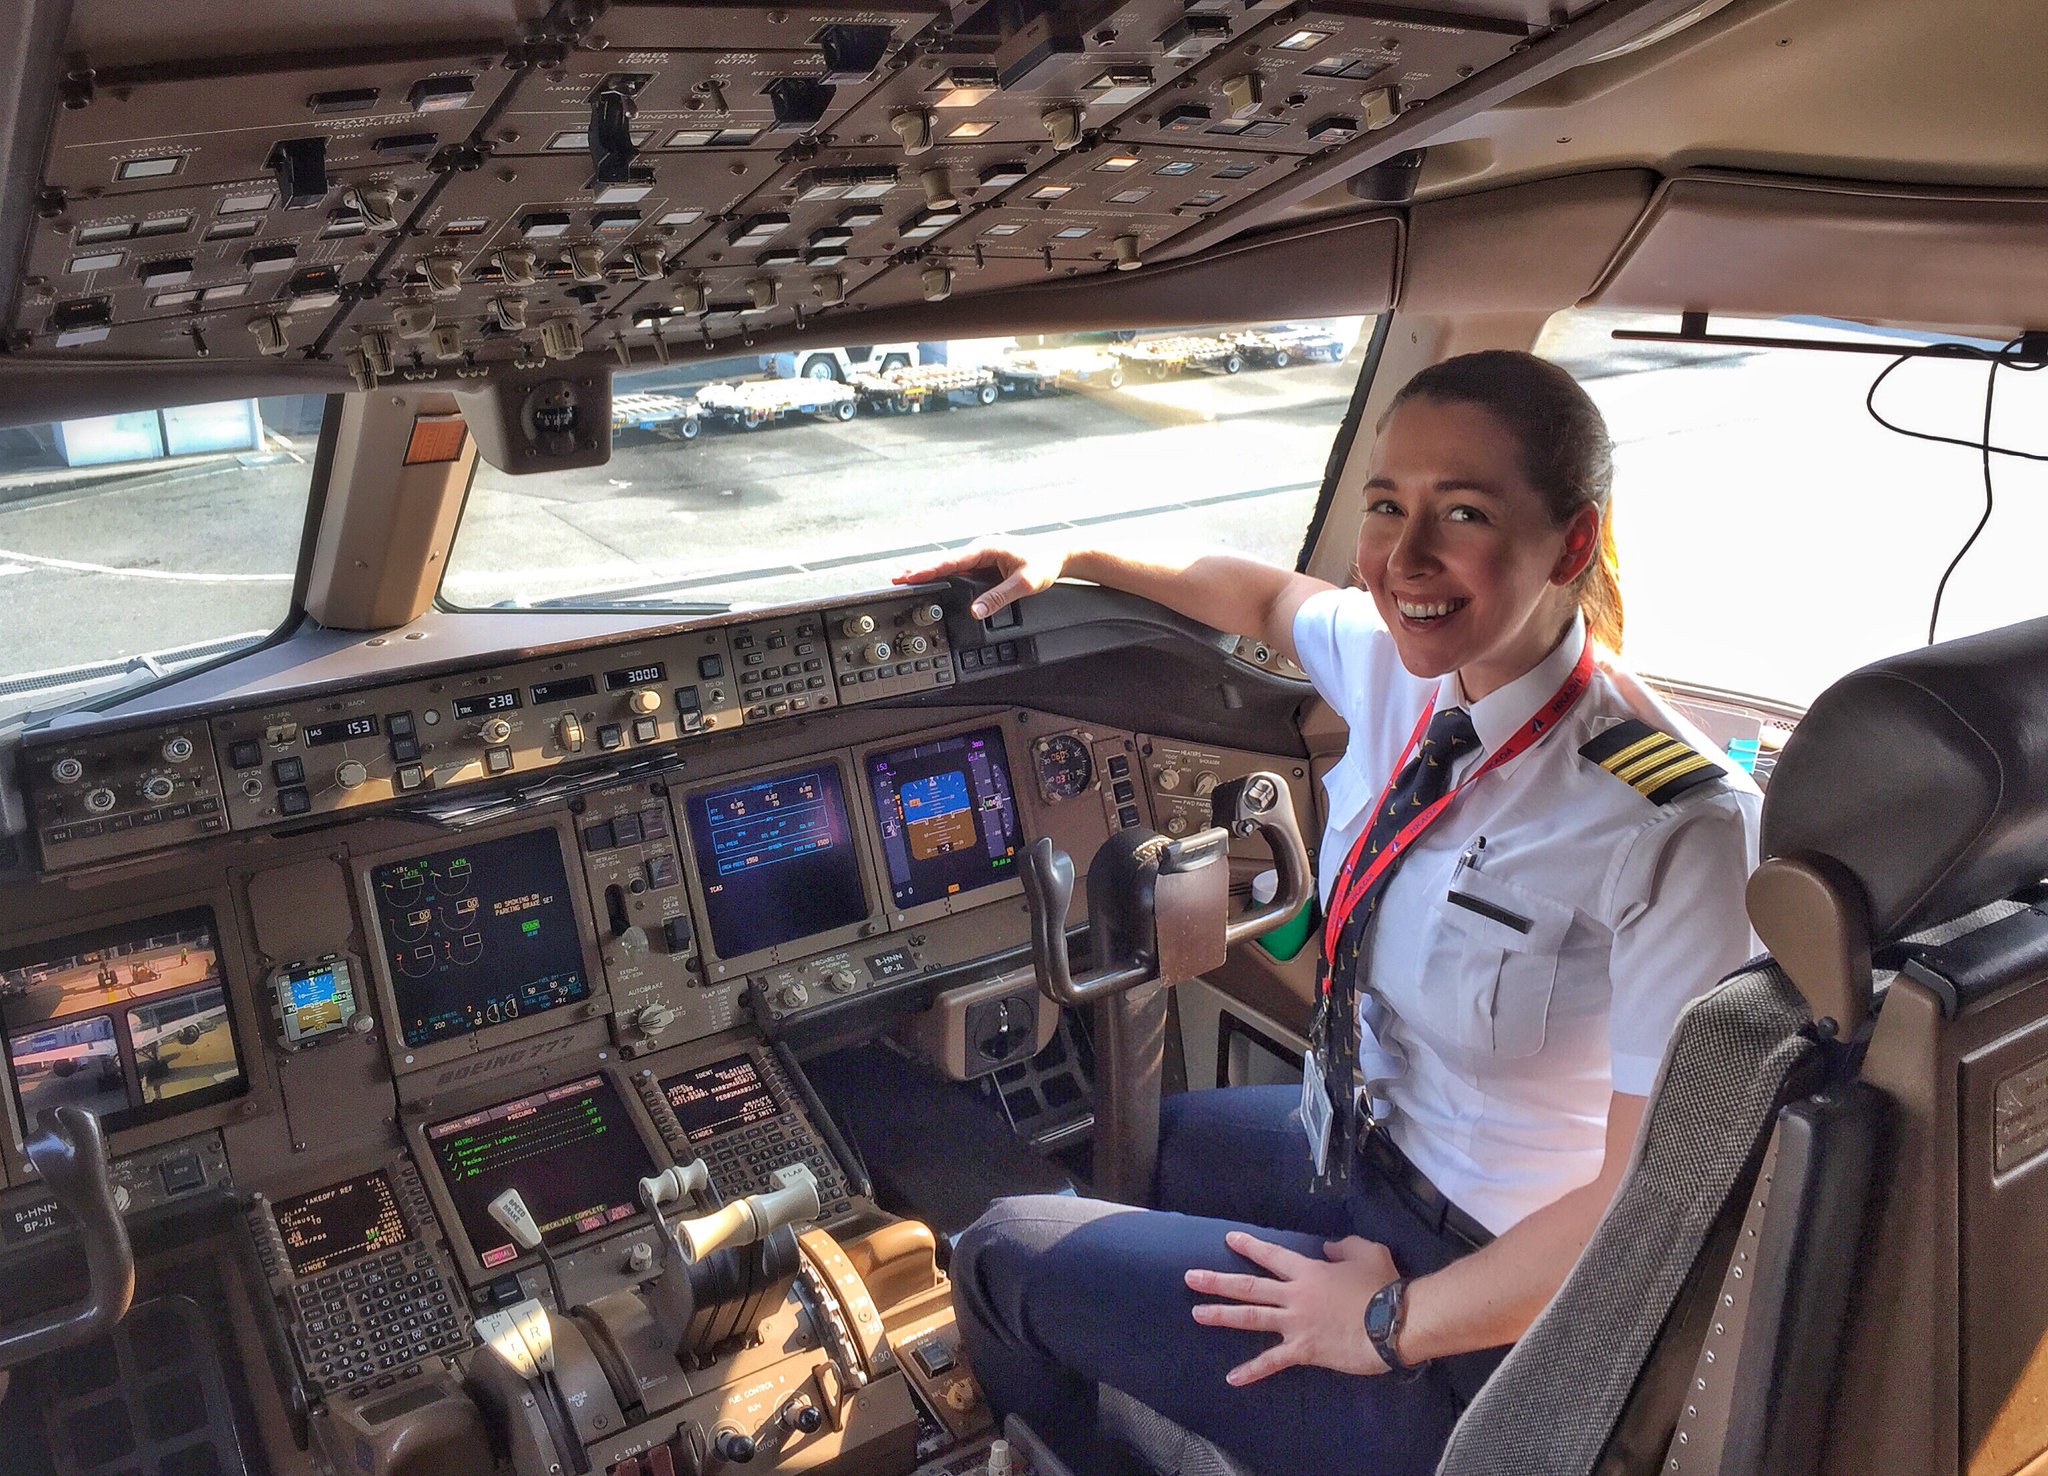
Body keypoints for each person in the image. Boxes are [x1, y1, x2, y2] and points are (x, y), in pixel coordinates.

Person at [893, 350, 1763, 1475]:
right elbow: (1258, 595)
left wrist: (1381, 1323)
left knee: (1002, 1250)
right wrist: (1076, 555)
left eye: (1460, 513)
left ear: (1571, 543)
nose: (1405, 559)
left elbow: (1645, 1205)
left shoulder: (1673, 823)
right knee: (1148, 1143)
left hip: (1498, 1304)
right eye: (1385, 505)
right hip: (1372, 1149)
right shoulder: (1407, 668)